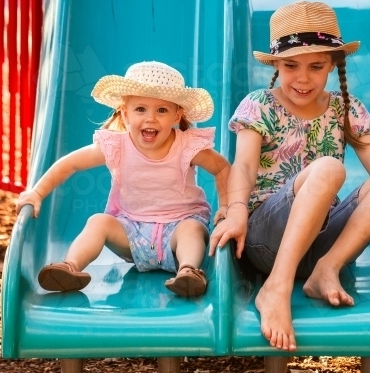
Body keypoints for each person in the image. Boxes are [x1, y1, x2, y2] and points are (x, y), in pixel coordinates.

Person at [208, 1, 370, 350]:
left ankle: (325, 270)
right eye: (291, 65)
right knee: (330, 168)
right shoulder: (259, 105)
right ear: (276, 63)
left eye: (316, 66)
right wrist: (237, 209)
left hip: (323, 243)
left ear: (333, 65)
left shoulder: (343, 109)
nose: (303, 78)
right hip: (266, 240)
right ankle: (276, 287)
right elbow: (243, 165)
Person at [16, 61, 230, 297]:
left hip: (177, 231)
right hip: (131, 234)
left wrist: (228, 206)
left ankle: (189, 271)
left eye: (162, 110)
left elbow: (222, 168)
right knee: (99, 221)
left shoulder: (188, 146)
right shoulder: (117, 146)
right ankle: (70, 267)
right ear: (124, 112)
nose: (150, 119)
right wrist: (36, 193)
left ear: (177, 115)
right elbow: (71, 163)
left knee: (192, 229)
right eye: (140, 109)